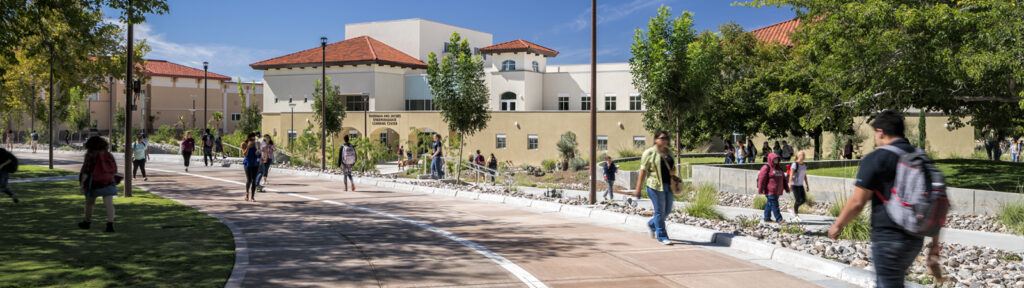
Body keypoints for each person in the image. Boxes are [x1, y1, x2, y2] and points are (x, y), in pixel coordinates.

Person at [828, 110, 943, 287]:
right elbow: (934, 201)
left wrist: (838, 225)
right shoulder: (920, 158)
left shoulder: (876, 158)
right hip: (914, 239)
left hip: (888, 238)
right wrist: (934, 245)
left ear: (880, 132)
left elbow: (857, 202)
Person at [633, 131, 675, 245]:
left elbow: (672, 168)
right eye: (662, 138)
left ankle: (652, 224)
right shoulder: (649, 152)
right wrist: (638, 189)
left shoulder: (670, 152)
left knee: (667, 211)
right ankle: (662, 236)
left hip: (668, 185)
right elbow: (642, 171)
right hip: (655, 186)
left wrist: (675, 180)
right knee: (660, 211)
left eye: (666, 138)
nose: (665, 140)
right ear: (656, 139)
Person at [78, 136, 118, 233]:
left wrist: (82, 184)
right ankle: (110, 225)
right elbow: (114, 169)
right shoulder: (108, 155)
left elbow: (86, 171)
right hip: (108, 181)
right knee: (109, 204)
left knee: (89, 203)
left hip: (94, 182)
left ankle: (87, 222)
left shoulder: (90, 155)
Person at [758, 151, 789, 223]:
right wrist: (760, 189)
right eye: (774, 159)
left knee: (769, 204)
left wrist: (786, 188)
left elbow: (784, 180)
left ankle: (767, 218)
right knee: (775, 205)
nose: (776, 160)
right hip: (770, 191)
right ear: (770, 159)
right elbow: (761, 179)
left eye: (777, 159)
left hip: (777, 191)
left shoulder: (779, 169)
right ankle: (779, 219)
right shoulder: (766, 167)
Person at [789, 151, 809, 222]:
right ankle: (795, 214)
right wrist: (790, 184)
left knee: (803, 200)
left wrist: (807, 185)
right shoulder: (795, 164)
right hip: (795, 185)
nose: (803, 156)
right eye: (801, 155)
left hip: (800, 185)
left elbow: (804, 175)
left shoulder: (805, 165)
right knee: (798, 200)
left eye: (804, 155)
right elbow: (791, 174)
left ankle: (794, 210)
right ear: (798, 156)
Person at [241, 133, 260, 202]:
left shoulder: (257, 144)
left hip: (255, 164)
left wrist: (258, 149)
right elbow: (245, 154)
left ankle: (252, 197)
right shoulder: (244, 144)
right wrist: (248, 147)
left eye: (254, 139)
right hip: (247, 164)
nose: (253, 140)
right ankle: (247, 194)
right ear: (248, 138)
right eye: (252, 139)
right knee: (249, 180)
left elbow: (258, 154)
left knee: (254, 180)